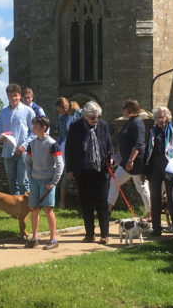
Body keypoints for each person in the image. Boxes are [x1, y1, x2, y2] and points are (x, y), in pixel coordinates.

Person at [64, 101, 113, 243]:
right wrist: (70, 169)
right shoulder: (75, 127)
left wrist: (110, 158)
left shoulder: (103, 125)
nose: (95, 120)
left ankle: (105, 235)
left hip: (100, 170)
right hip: (83, 170)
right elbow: (69, 149)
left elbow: (108, 144)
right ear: (85, 116)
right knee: (86, 203)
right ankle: (90, 234)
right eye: (92, 118)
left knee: (102, 203)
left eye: (97, 117)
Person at [145, 105, 173, 238]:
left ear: (167, 117)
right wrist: (143, 170)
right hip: (155, 167)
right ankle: (157, 228)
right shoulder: (152, 132)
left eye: (161, 117)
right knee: (155, 198)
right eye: (156, 117)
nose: (158, 119)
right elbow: (147, 151)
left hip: (170, 166)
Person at [106, 98, 151, 220]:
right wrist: (116, 159)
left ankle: (149, 214)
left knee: (141, 187)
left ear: (130, 109)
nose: (122, 110)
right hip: (125, 162)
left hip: (136, 162)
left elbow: (138, 144)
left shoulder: (137, 123)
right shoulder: (129, 121)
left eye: (124, 107)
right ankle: (108, 210)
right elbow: (124, 144)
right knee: (114, 181)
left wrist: (131, 160)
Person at [24, 116, 64, 250]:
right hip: (35, 180)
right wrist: (30, 177)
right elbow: (28, 162)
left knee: (48, 209)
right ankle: (34, 238)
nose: (33, 128)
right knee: (34, 209)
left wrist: (53, 182)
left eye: (36, 126)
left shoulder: (53, 144)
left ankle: (53, 239)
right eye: (33, 126)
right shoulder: (32, 144)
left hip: (47, 181)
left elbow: (60, 164)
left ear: (44, 128)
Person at [0, 83, 35, 196]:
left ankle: (26, 209)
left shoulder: (28, 111)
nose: (13, 98)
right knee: (12, 183)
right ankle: (16, 209)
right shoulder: (3, 113)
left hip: (23, 151)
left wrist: (24, 146)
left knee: (23, 182)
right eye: (11, 96)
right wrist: (0, 137)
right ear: (7, 97)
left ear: (20, 96)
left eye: (16, 95)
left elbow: (34, 131)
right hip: (7, 151)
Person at [55, 97, 81, 209]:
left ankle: (82, 202)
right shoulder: (62, 117)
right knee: (67, 173)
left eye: (59, 109)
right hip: (65, 146)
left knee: (80, 175)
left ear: (64, 107)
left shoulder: (80, 113)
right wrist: (56, 146)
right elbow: (61, 134)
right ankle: (62, 203)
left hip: (78, 147)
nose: (58, 112)